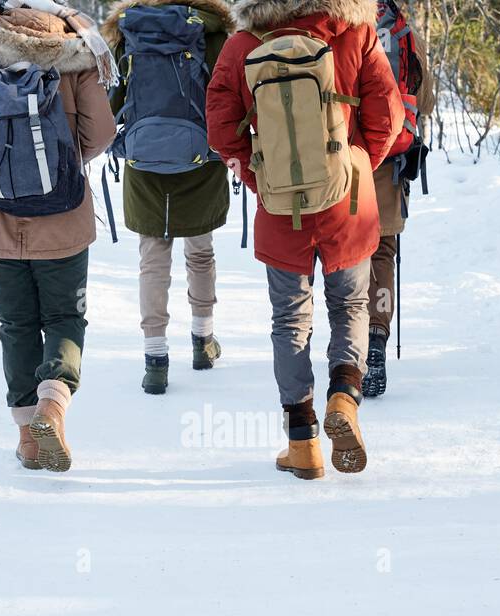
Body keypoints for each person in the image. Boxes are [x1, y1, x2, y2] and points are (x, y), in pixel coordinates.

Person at [206, 0, 402, 478]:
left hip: (280, 207)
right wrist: (354, 169)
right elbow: (388, 117)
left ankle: (303, 444)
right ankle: (344, 399)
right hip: (347, 205)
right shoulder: (354, 32)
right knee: (351, 305)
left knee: (290, 317)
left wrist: (263, 179)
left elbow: (219, 129)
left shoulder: (241, 44)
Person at [0, 0, 116, 471]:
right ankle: (52, 406)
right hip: (64, 216)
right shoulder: (72, 48)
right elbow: (101, 132)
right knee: (63, 317)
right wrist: (66, 164)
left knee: (15, 325)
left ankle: (28, 439)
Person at [103, 0, 235, 395]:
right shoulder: (215, 35)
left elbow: (112, 103)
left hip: (144, 164)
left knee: (152, 259)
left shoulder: (128, 33)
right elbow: (227, 100)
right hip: (202, 159)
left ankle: (155, 359)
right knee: (200, 252)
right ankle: (202, 341)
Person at [363, 0, 435, 397]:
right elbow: (424, 98)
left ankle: (349, 346)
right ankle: (377, 340)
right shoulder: (404, 29)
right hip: (391, 156)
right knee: (383, 251)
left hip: (349, 154)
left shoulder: (340, 21)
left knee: (346, 253)